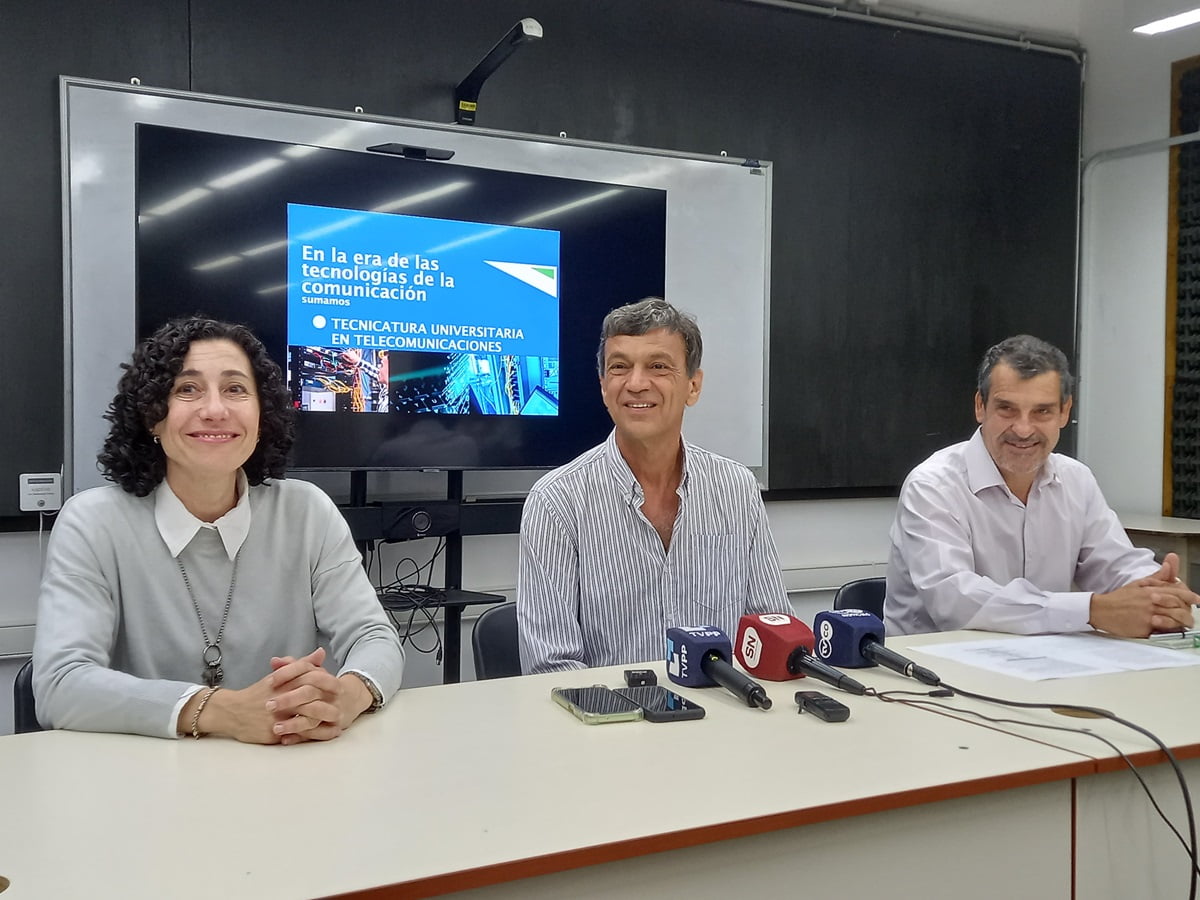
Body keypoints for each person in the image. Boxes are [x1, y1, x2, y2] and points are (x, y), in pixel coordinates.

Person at [33, 317, 404, 741]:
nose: (214, 410)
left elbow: (374, 636)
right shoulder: (92, 523)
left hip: (288, 769)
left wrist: (347, 695)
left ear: (261, 415)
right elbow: (60, 684)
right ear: (153, 416)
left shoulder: (307, 511)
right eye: (187, 389)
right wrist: (223, 711)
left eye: (235, 389)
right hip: (143, 779)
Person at [517, 297, 791, 674]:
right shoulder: (556, 502)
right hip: (610, 722)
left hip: (726, 720)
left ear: (693, 387)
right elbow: (552, 667)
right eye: (620, 367)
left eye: (658, 366)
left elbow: (772, 630)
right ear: (603, 387)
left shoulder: (736, 489)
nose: (636, 383)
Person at [885, 334, 1198, 637]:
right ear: (980, 406)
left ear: (1064, 412)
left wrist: (1157, 594)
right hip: (933, 673)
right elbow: (955, 602)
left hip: (1046, 665)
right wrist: (1092, 610)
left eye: (1042, 411)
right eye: (1007, 409)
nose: (1023, 430)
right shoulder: (932, 486)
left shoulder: (1076, 480)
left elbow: (1114, 563)